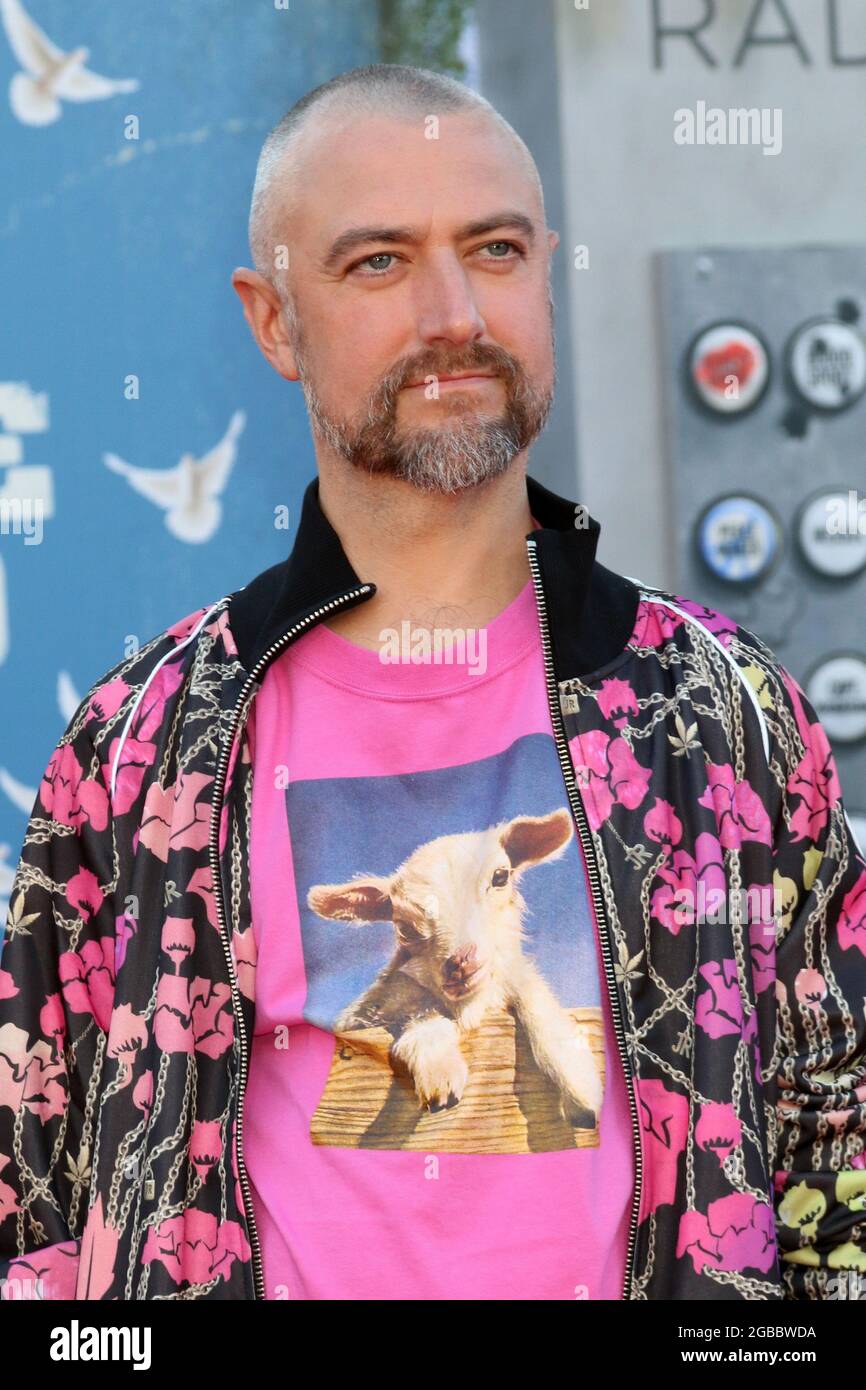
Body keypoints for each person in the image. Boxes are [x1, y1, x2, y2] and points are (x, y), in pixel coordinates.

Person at [1, 62, 865, 1303]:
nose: (452, 311)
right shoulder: (148, 745)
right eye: (378, 263)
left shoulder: (718, 708)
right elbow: (32, 1178)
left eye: (495, 249)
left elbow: (835, 1126)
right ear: (272, 319)